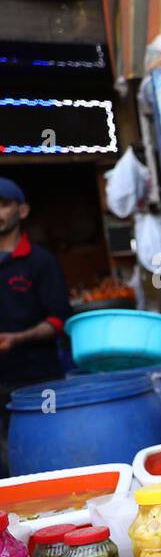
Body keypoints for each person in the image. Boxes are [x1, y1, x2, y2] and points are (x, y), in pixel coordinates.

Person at [0, 177, 71, 475]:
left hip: (40, 381)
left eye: (3, 204)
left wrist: (18, 338)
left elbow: (58, 321)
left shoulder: (41, 262)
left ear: (23, 211)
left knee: (47, 453)